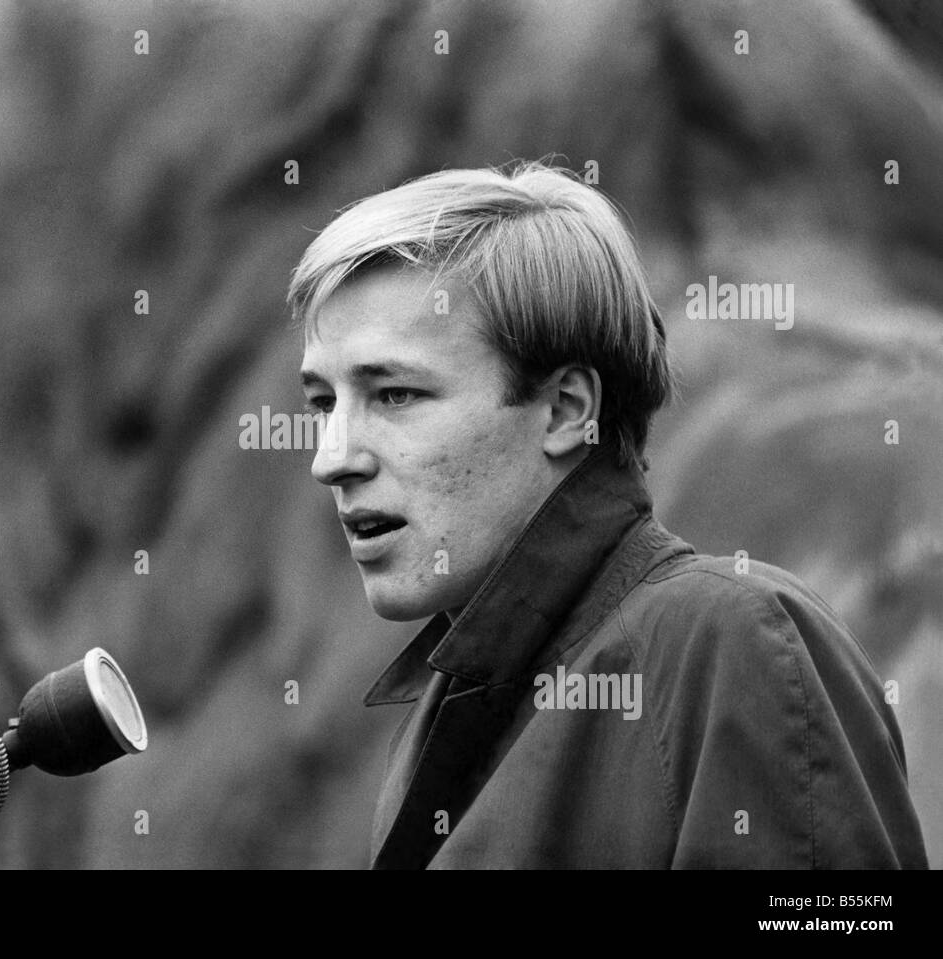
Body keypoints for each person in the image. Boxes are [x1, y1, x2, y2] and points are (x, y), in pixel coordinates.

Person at [289, 163, 928, 869]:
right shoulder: (445, 704)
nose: (332, 457)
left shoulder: (731, 642)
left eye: (396, 394)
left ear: (566, 410)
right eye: (323, 402)